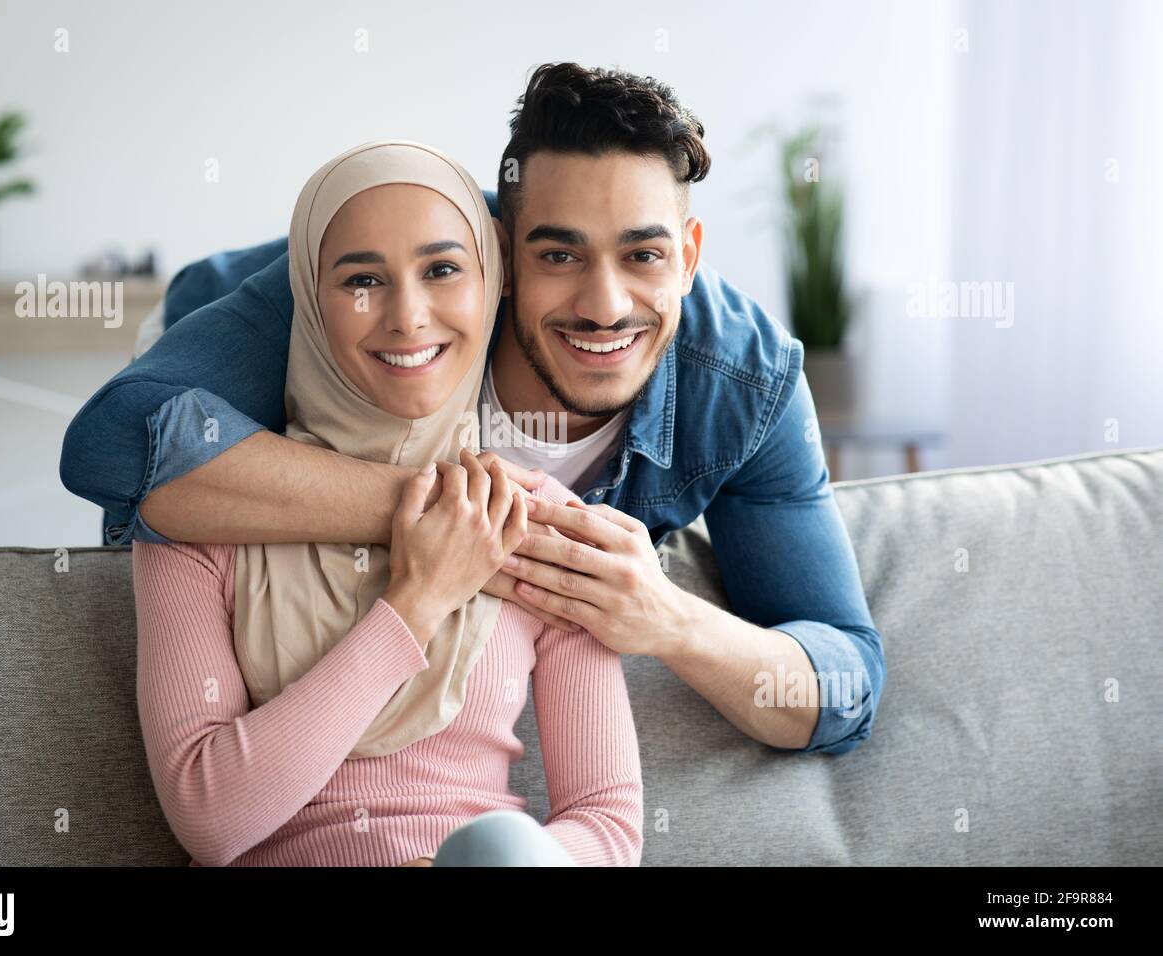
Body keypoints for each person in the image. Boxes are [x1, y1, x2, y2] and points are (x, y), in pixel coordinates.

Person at [64, 63, 885, 756]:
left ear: (690, 256)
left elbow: (846, 681)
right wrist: (483, 521)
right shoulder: (396, 283)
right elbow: (111, 448)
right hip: (202, 323)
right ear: (499, 249)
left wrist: (667, 620)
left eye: (644, 255)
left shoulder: (747, 381)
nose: (605, 306)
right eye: (559, 255)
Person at [132, 140, 642, 866]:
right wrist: (419, 600)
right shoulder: (198, 517)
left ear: (492, 277)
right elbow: (210, 820)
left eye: (441, 270)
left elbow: (608, 825)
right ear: (311, 298)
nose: (407, 316)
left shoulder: (539, 522)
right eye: (363, 279)